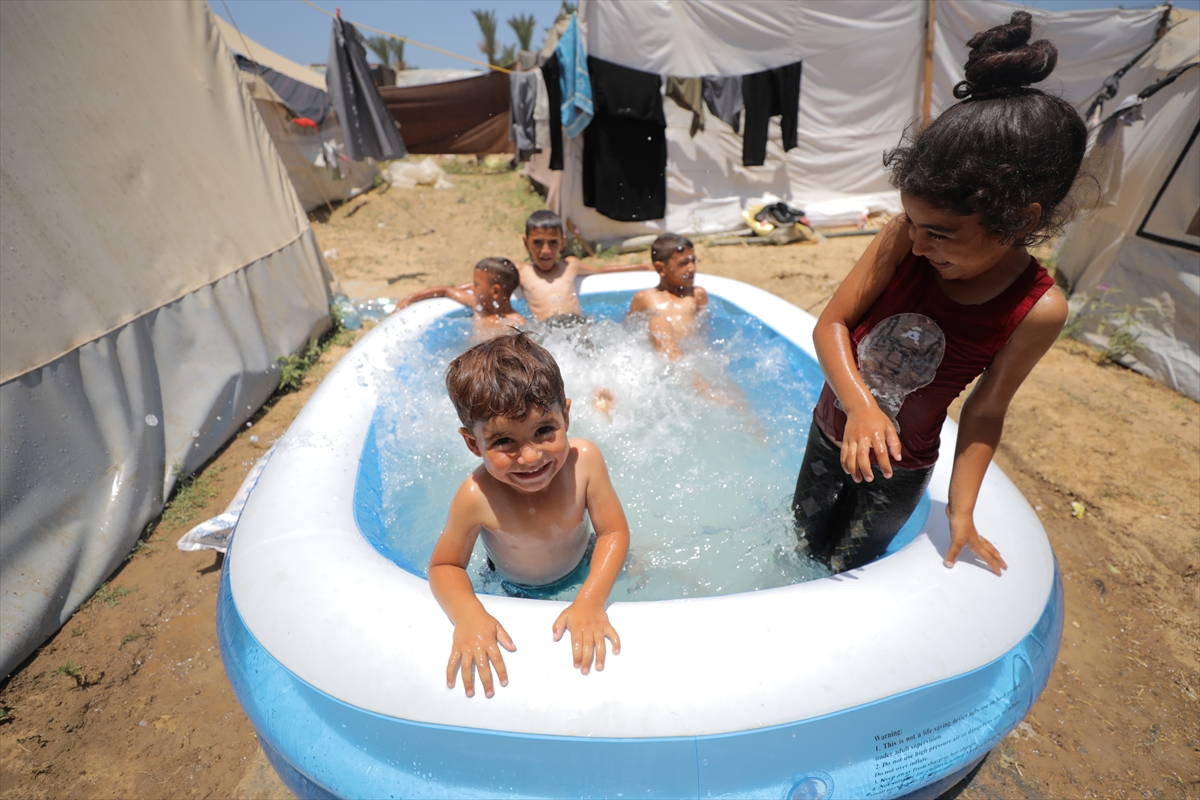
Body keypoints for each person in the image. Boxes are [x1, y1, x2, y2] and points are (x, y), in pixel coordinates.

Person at [793, 11, 1083, 576]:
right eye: (913, 223)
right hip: (831, 433)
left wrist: (963, 512)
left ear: (1019, 221)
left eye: (942, 234)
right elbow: (831, 325)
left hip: (899, 472)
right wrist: (858, 406)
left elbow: (986, 409)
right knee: (801, 546)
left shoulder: (1037, 309)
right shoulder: (905, 236)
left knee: (848, 570)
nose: (921, 245)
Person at [428, 332, 631, 698]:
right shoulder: (476, 496)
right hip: (515, 589)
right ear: (473, 443)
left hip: (585, 564)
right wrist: (469, 615)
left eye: (544, 431)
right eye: (505, 441)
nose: (531, 457)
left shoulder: (584, 463)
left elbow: (613, 533)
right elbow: (445, 567)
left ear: (565, 416)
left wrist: (591, 598)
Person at [518, 209, 651, 324]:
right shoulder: (523, 272)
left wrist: (644, 267)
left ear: (563, 243)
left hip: (578, 323)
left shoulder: (570, 265)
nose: (546, 250)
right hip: (547, 328)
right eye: (537, 242)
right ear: (526, 243)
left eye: (553, 242)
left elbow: (602, 271)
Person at [396, 257, 527, 337]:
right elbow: (446, 290)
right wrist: (410, 298)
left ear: (495, 292)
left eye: (476, 285)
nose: (472, 288)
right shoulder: (478, 305)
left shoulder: (517, 324)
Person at [628, 233, 709, 360]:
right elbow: (630, 331)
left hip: (692, 355)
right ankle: (676, 360)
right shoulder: (643, 298)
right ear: (660, 268)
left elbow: (703, 330)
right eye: (683, 263)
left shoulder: (697, 294)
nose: (692, 268)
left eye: (693, 260)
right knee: (659, 323)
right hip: (659, 356)